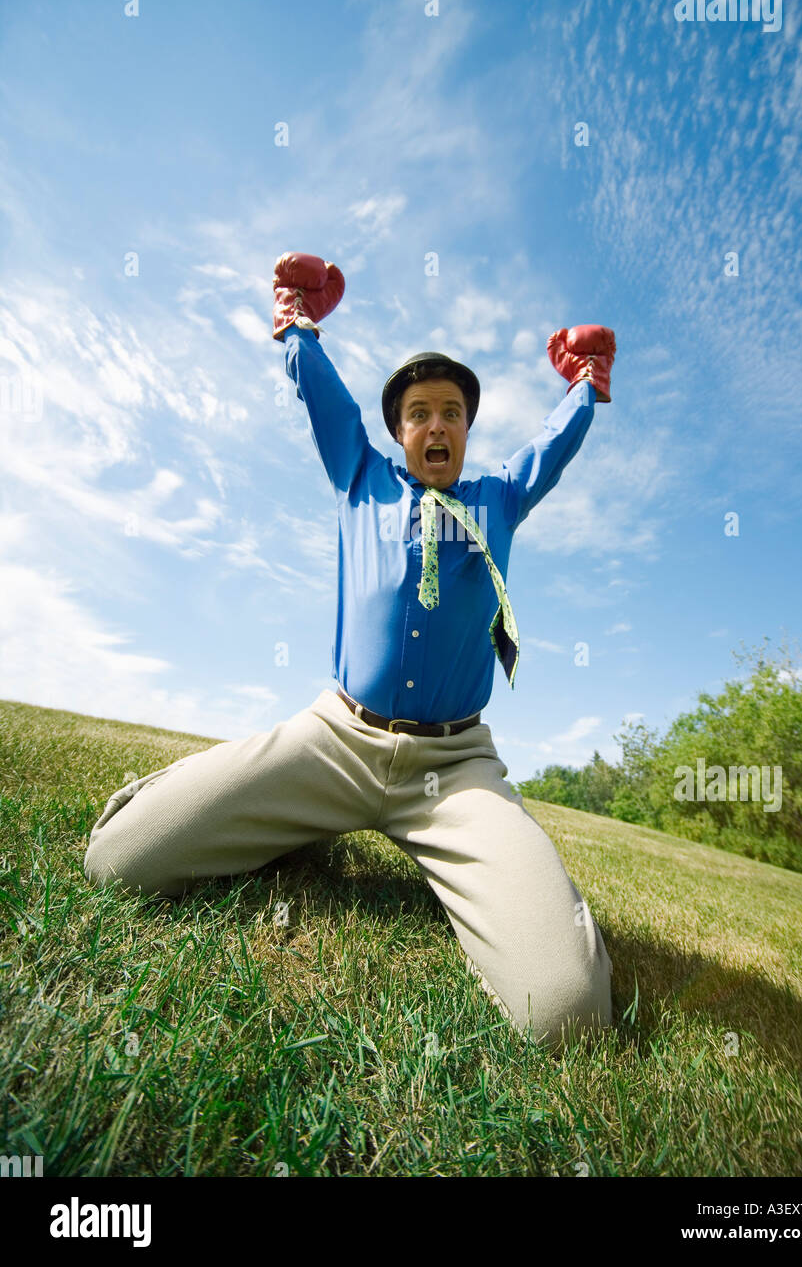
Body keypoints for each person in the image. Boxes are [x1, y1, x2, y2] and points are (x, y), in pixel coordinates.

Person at [83, 252, 617, 1056]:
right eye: (417, 413)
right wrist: (297, 321)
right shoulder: (360, 477)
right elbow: (322, 398)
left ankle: (331, 841)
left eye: (451, 413)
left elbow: (556, 444)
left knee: (569, 1018)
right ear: (398, 432)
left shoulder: (499, 497)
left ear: (467, 431)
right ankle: (298, 821)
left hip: (454, 769)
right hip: (337, 740)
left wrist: (586, 381)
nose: (435, 425)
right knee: (115, 862)